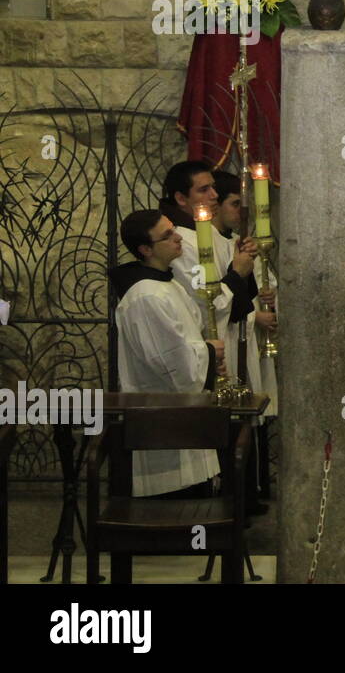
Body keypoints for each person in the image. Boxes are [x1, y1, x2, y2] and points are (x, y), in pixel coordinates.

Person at [110, 209, 224, 497]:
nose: (177, 238)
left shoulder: (168, 285)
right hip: (163, 430)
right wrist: (210, 353)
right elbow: (173, 365)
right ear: (145, 250)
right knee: (177, 510)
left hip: (185, 421)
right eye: (167, 235)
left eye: (173, 229)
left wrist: (208, 354)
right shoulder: (146, 295)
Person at [212, 169, 278, 513]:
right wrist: (255, 316)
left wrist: (270, 298)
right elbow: (213, 304)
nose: (240, 212)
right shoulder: (204, 242)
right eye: (235, 204)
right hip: (230, 341)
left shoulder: (236, 242)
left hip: (249, 342)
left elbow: (258, 290)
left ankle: (252, 493)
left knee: (253, 417)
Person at [159, 160, 258, 372]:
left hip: (230, 337)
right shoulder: (178, 242)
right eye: (204, 190)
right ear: (180, 198)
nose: (214, 195)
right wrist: (238, 272)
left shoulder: (208, 231)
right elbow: (206, 304)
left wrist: (242, 259)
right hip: (204, 349)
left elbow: (234, 290)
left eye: (213, 187)